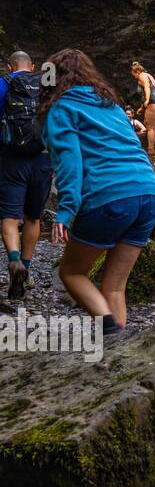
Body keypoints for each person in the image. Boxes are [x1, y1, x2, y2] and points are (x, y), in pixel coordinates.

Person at [42, 48, 155, 335]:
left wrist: (66, 211)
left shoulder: (62, 109)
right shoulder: (112, 105)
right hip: (148, 192)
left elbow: (69, 164)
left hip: (109, 196)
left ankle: (108, 328)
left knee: (71, 273)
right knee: (115, 286)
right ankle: (118, 353)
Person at [0, 51, 53, 300]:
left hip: (12, 159)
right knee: (33, 217)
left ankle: (13, 260)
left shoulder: (4, 84)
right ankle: (27, 268)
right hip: (43, 159)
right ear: (32, 66)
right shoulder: (46, 86)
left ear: (9, 67)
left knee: (10, 216)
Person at [130, 61, 155, 154]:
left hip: (153, 101)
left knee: (149, 127)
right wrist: (142, 107)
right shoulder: (148, 75)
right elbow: (152, 89)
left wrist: (147, 100)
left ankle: (150, 149)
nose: (133, 76)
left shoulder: (142, 76)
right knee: (151, 124)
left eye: (133, 74)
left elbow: (147, 87)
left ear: (136, 72)